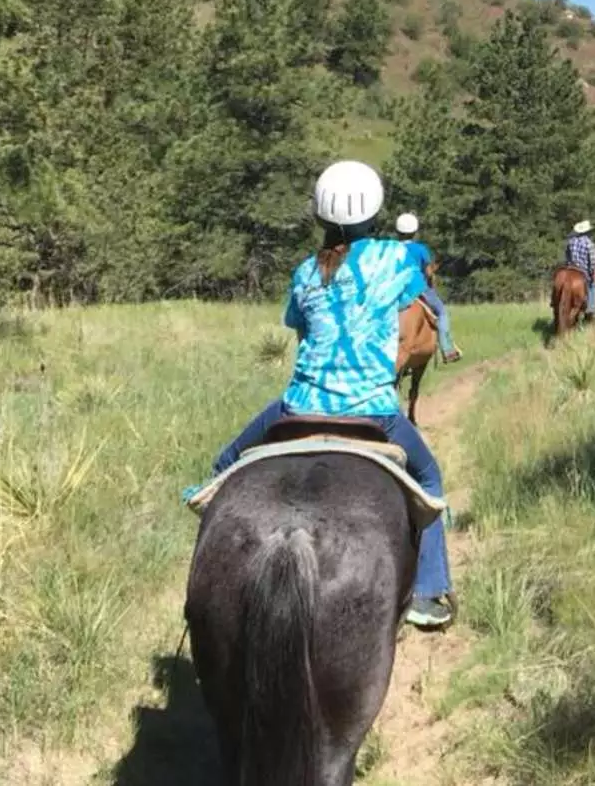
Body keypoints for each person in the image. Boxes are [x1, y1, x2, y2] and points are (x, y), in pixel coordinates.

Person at [194, 160, 455, 629]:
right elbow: (414, 293)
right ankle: (427, 591)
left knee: (221, 468)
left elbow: (297, 326)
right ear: (375, 211)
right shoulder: (395, 259)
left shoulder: (304, 271)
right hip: (374, 410)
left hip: (297, 405)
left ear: (320, 215)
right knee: (430, 480)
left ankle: (206, 588)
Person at [395, 212, 462, 364]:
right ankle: (447, 349)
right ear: (414, 231)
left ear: (397, 231)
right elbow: (428, 272)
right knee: (442, 312)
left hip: (394, 289)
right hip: (418, 289)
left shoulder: (391, 248)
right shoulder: (420, 249)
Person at [565, 220, 595, 318]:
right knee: (593, 286)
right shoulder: (589, 244)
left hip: (570, 268)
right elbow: (592, 262)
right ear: (588, 232)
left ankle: (553, 302)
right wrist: (592, 274)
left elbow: (567, 257)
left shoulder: (570, 242)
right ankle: (590, 308)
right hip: (583, 270)